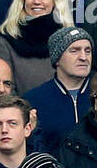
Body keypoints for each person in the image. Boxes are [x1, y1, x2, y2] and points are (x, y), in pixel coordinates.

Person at [0, 0, 72, 97]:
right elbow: (5, 91)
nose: (37, 1)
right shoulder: (5, 42)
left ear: (55, 1)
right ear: (23, 0)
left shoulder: (69, 39)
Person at [23, 26, 92, 154]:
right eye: (74, 51)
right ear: (57, 59)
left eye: (88, 51)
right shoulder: (33, 100)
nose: (84, 57)